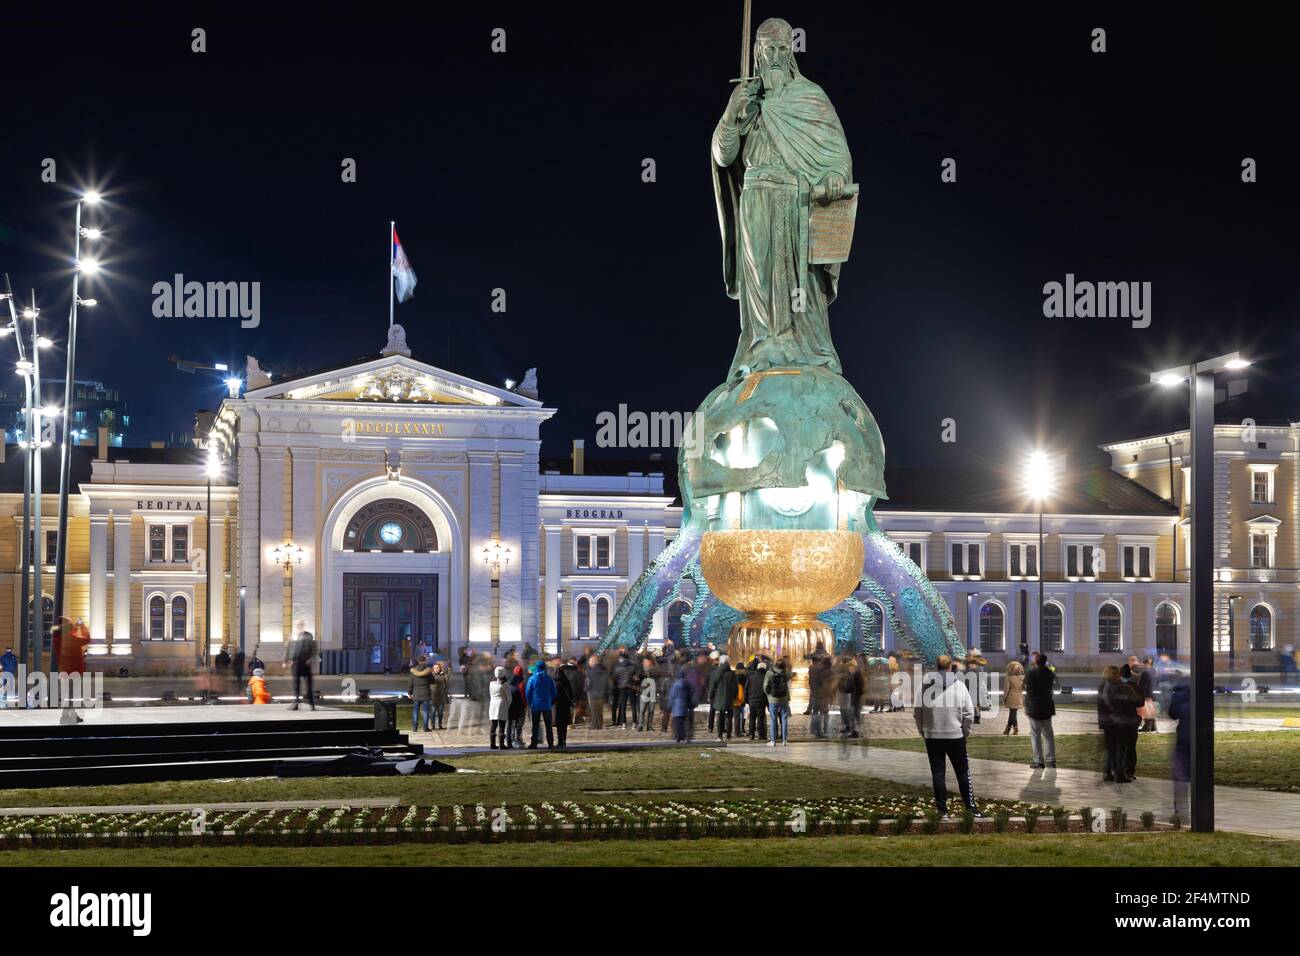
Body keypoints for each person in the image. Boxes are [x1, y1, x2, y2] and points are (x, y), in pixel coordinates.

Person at [914, 655, 977, 816]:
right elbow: (969, 714)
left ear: (937, 667)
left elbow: (917, 712)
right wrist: (965, 733)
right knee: (963, 772)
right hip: (955, 735)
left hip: (932, 735)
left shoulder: (924, 686)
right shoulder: (960, 686)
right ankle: (970, 808)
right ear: (950, 667)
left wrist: (924, 731)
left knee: (938, 773)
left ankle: (942, 811)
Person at [1098, 664, 1141, 783]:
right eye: (1116, 673)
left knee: (1111, 749)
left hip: (1107, 721)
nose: (1118, 676)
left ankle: (1108, 773)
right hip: (1115, 722)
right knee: (1119, 750)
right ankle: (1119, 775)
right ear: (1113, 674)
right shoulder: (1115, 687)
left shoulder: (1103, 685)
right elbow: (1121, 704)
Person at [1023, 652, 1057, 769]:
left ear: (1036, 662)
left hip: (1035, 708)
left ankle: (1038, 761)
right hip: (1047, 706)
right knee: (1048, 735)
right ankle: (1051, 760)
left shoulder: (1031, 673)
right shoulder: (1050, 673)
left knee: (1035, 736)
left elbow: (1029, 690)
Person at [1167, 674, 1191, 816]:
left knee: (1180, 774)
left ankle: (1181, 809)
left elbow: (1173, 713)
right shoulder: (1200, 692)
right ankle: (1201, 807)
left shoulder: (1178, 694)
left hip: (1183, 737)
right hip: (1199, 737)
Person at [525, 660, 557, 750]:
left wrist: (530, 702)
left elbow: (528, 692)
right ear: (544, 667)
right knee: (548, 725)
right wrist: (550, 700)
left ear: (536, 667)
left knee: (535, 725)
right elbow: (554, 692)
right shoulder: (549, 678)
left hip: (535, 705)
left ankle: (534, 744)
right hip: (547, 705)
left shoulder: (532, 679)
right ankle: (550, 743)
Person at [707, 654, 738, 741]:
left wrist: (710, 696)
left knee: (720, 716)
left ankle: (719, 735)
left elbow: (713, 685)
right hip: (729, 698)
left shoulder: (717, 672)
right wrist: (735, 696)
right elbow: (735, 686)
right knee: (729, 716)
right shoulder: (731, 673)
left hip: (719, 698)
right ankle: (728, 734)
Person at [285, 627, 317, 711]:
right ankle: (311, 704)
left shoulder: (296, 642)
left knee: (296, 686)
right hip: (305, 665)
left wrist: (288, 661)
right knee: (308, 686)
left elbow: (291, 652)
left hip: (297, 665)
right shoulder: (311, 642)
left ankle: (296, 704)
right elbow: (314, 653)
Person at [764, 657, 792, 746]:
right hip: (784, 698)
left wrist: (769, 694)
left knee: (773, 719)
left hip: (773, 699)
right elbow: (791, 676)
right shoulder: (786, 673)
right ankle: (784, 740)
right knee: (784, 719)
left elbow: (765, 686)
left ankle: (773, 741)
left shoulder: (769, 673)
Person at [554, 658, 578, 750]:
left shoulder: (555, 682)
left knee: (559, 725)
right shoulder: (567, 681)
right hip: (566, 705)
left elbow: (553, 694)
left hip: (557, 705)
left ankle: (559, 742)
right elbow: (571, 693)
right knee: (564, 725)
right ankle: (564, 741)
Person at [809, 656, 833, 738]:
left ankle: (814, 729)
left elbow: (812, 683)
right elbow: (827, 684)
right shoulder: (826, 672)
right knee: (823, 712)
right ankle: (821, 730)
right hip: (822, 695)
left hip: (816, 694)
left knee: (816, 712)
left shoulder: (814, 669)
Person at [409, 656, 434, 732]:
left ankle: (414, 728)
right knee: (426, 711)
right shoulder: (428, 671)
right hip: (426, 694)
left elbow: (410, 684)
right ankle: (425, 728)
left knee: (415, 711)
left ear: (418, 661)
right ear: (425, 661)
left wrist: (410, 693)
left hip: (416, 694)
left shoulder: (413, 671)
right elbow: (433, 681)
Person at [488, 666, 510, 749]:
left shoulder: (491, 684)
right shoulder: (505, 685)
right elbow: (509, 697)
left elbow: (490, 694)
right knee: (502, 724)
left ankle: (492, 744)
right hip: (502, 704)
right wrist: (507, 705)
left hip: (493, 704)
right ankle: (501, 744)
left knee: (493, 724)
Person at [669, 669, 694, 742]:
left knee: (677, 723)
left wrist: (670, 704)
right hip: (685, 706)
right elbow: (690, 695)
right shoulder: (687, 684)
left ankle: (679, 736)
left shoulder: (675, 684)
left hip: (677, 707)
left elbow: (672, 696)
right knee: (683, 722)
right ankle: (683, 736)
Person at [746, 660, 768, 739]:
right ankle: (761, 735)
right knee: (760, 718)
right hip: (762, 701)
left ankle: (751, 734)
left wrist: (746, 700)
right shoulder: (766, 677)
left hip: (752, 701)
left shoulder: (751, 677)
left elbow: (746, 689)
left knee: (752, 718)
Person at [585, 655, 607, 730]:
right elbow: (606, 682)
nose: (589, 663)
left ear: (594, 662)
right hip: (601, 693)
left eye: (590, 662)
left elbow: (588, 683)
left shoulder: (590, 672)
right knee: (600, 710)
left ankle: (595, 725)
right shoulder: (604, 670)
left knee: (594, 710)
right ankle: (599, 724)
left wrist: (586, 689)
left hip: (593, 693)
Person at [1002, 660, 1024, 735]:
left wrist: (1004, 699)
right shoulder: (1022, 678)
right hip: (1019, 697)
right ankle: (1009, 729)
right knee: (1013, 713)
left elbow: (1006, 689)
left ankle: (1014, 729)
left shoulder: (1009, 677)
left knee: (1012, 713)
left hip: (1011, 696)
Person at [508, 664, 527, 748]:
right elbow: (524, 695)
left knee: (512, 723)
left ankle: (511, 738)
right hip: (521, 706)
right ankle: (518, 739)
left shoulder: (510, 682)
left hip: (512, 705)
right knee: (519, 724)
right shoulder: (522, 683)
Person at [1137, 657, 1157, 733]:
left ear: (1145, 664)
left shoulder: (1145, 672)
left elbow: (1142, 685)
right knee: (1151, 711)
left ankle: (1147, 727)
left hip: (1146, 694)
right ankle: (1153, 727)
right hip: (1152, 694)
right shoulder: (1154, 671)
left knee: (1146, 711)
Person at [430, 662, 450, 729]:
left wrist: (445, 674)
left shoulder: (443, 674)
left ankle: (440, 724)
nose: (436, 669)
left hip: (441, 696)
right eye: (435, 668)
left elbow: (447, 684)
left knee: (440, 712)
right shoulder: (431, 675)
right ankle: (433, 725)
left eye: (437, 667)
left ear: (440, 668)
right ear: (433, 668)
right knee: (433, 711)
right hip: (433, 696)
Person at [638, 662, 658, 731]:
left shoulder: (655, 672)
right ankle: (640, 725)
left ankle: (649, 726)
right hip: (644, 693)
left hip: (652, 693)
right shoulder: (642, 672)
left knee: (651, 711)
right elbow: (638, 678)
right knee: (642, 710)